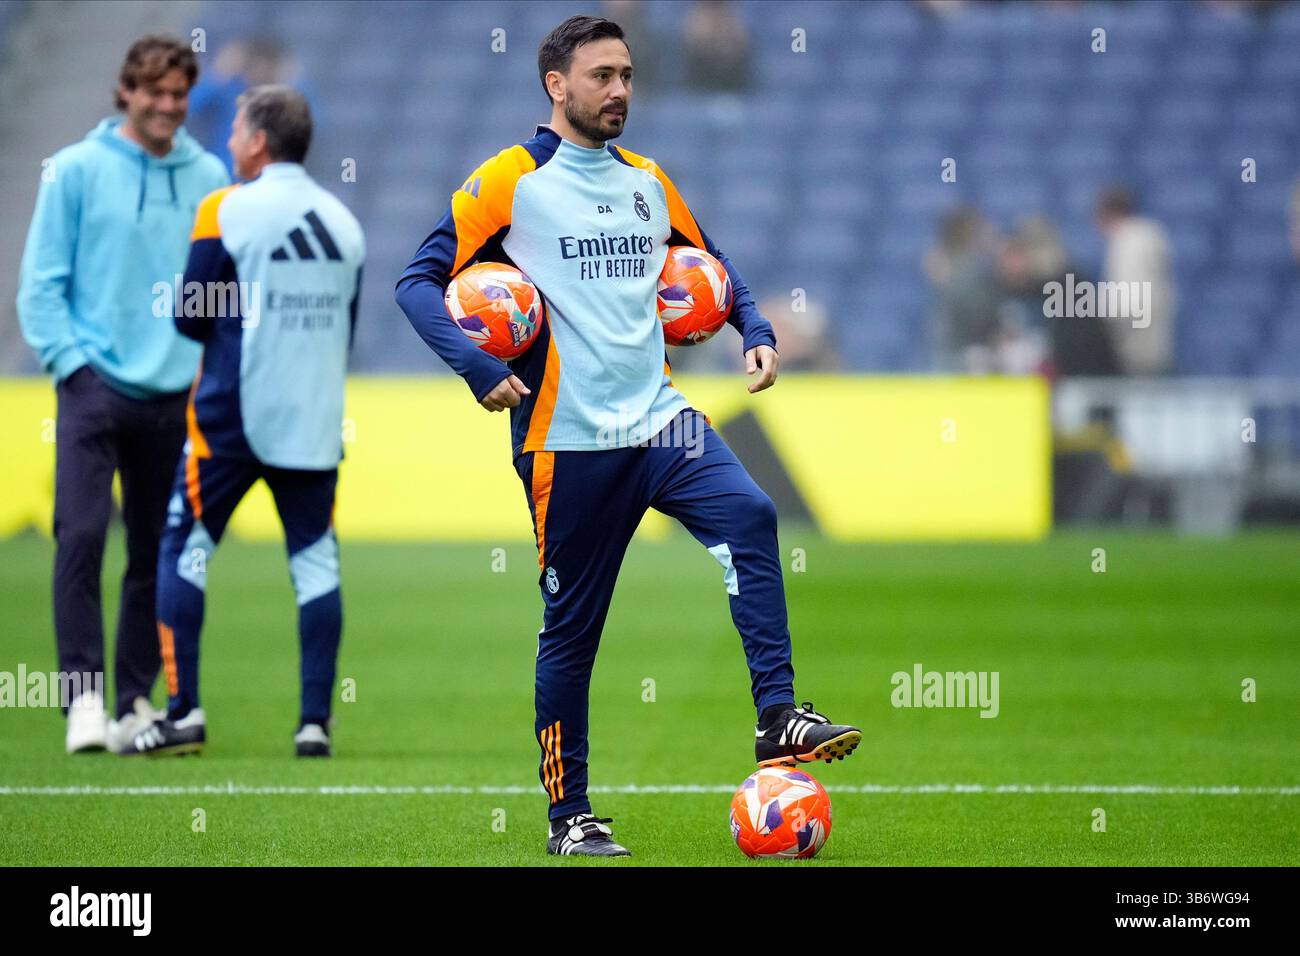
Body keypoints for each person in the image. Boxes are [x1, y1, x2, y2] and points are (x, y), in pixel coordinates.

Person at [396, 15, 860, 857]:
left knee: (752, 517)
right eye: (602, 75)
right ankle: (569, 815)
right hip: (567, 442)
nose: (619, 91)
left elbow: (711, 261)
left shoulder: (647, 179)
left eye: (627, 75)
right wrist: (474, 366)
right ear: (556, 85)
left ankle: (777, 717)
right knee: (573, 632)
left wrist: (751, 328)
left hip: (660, 420)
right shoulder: (506, 182)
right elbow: (417, 284)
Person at [128, 86, 365, 758]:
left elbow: (189, 315)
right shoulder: (344, 223)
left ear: (259, 140)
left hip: (231, 419)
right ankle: (314, 722)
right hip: (313, 421)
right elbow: (342, 332)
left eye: (235, 129)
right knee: (315, 564)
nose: (230, 141)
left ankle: (184, 713)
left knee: (187, 550)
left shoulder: (224, 209)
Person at [16, 35, 229, 754]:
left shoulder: (209, 174)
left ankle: (134, 701)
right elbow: (40, 284)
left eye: (179, 95)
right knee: (78, 536)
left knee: (151, 551)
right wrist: (74, 368)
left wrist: (203, 367)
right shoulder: (75, 169)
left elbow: (217, 286)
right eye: (155, 93)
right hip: (92, 386)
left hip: (175, 392)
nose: (169, 106)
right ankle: (83, 700)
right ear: (127, 93)